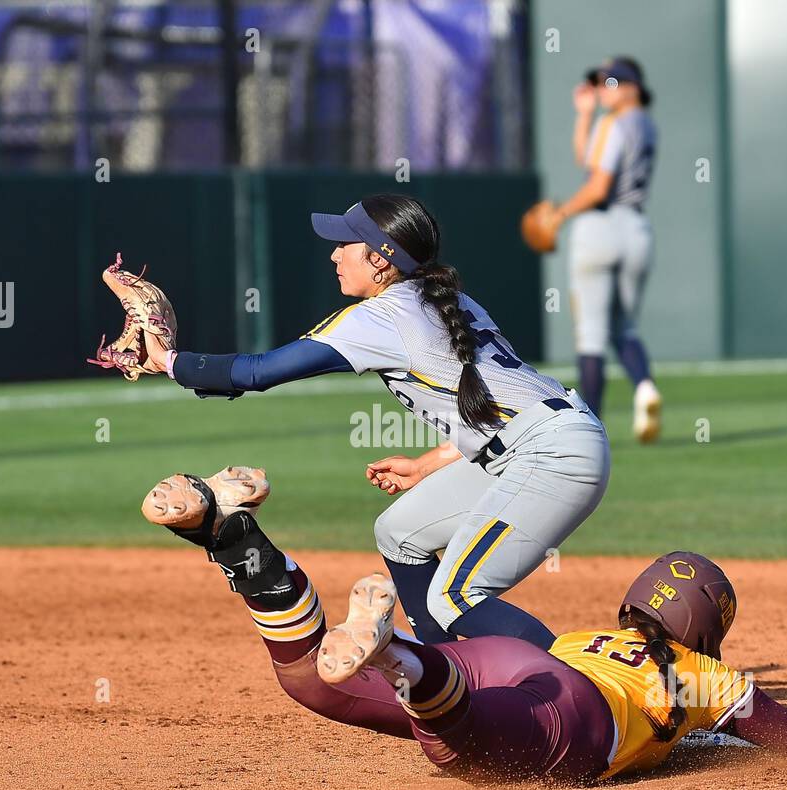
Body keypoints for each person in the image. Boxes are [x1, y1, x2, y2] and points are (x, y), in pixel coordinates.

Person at [140, 466, 787, 784]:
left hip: (524, 656)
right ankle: (401, 658)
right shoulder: (698, 676)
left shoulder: (590, 634)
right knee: (471, 734)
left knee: (313, 681)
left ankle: (238, 544)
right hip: (566, 707)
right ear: (703, 630)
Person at [130, 193, 610, 652]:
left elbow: (257, 372)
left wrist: (170, 361)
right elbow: (497, 405)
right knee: (399, 533)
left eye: (346, 245)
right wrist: (428, 465)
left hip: (551, 455)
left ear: (380, 259)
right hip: (548, 436)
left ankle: (589, 693)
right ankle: (451, 683)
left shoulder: (379, 318)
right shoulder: (444, 297)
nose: (335, 255)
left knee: (455, 596)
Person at [543, 56, 661, 442]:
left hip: (599, 228)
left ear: (632, 88)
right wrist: (584, 114)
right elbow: (589, 160)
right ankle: (644, 386)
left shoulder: (613, 123)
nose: (602, 89)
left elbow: (596, 187)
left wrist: (560, 214)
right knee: (624, 327)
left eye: (611, 83)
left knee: (591, 334)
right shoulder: (646, 125)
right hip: (636, 229)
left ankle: (590, 429)